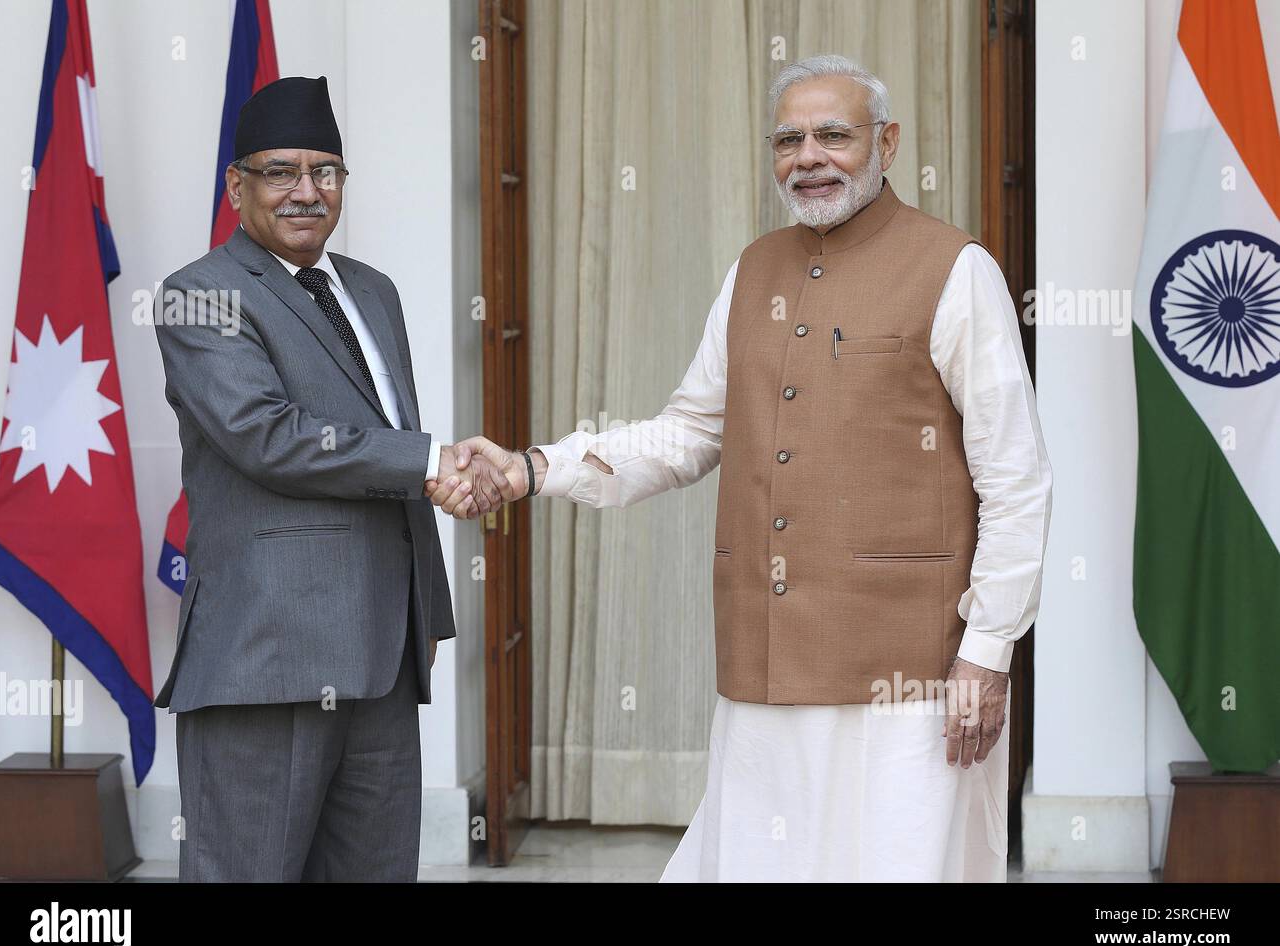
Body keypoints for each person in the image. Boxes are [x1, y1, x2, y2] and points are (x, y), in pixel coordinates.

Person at [430, 54, 1053, 881]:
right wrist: (536, 468)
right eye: (788, 139)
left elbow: (1016, 478)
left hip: (915, 675)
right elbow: (688, 431)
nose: (809, 156)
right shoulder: (753, 270)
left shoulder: (955, 269)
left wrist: (989, 650)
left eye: (833, 134)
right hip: (766, 658)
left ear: (887, 143)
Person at [152, 76, 501, 881]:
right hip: (266, 659)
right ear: (237, 187)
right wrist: (429, 463)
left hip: (381, 655)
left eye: (325, 171)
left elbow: (377, 444)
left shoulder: (374, 291)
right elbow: (266, 436)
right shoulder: (196, 296)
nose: (306, 192)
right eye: (281, 172)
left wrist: (426, 599)